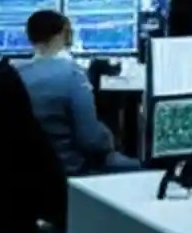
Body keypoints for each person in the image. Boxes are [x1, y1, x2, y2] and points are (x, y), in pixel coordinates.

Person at [16, 10, 141, 175]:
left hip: (24, 169)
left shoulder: (14, 73)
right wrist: (110, 138)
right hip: (69, 168)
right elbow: (91, 141)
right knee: (141, 165)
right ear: (62, 35)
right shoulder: (73, 75)